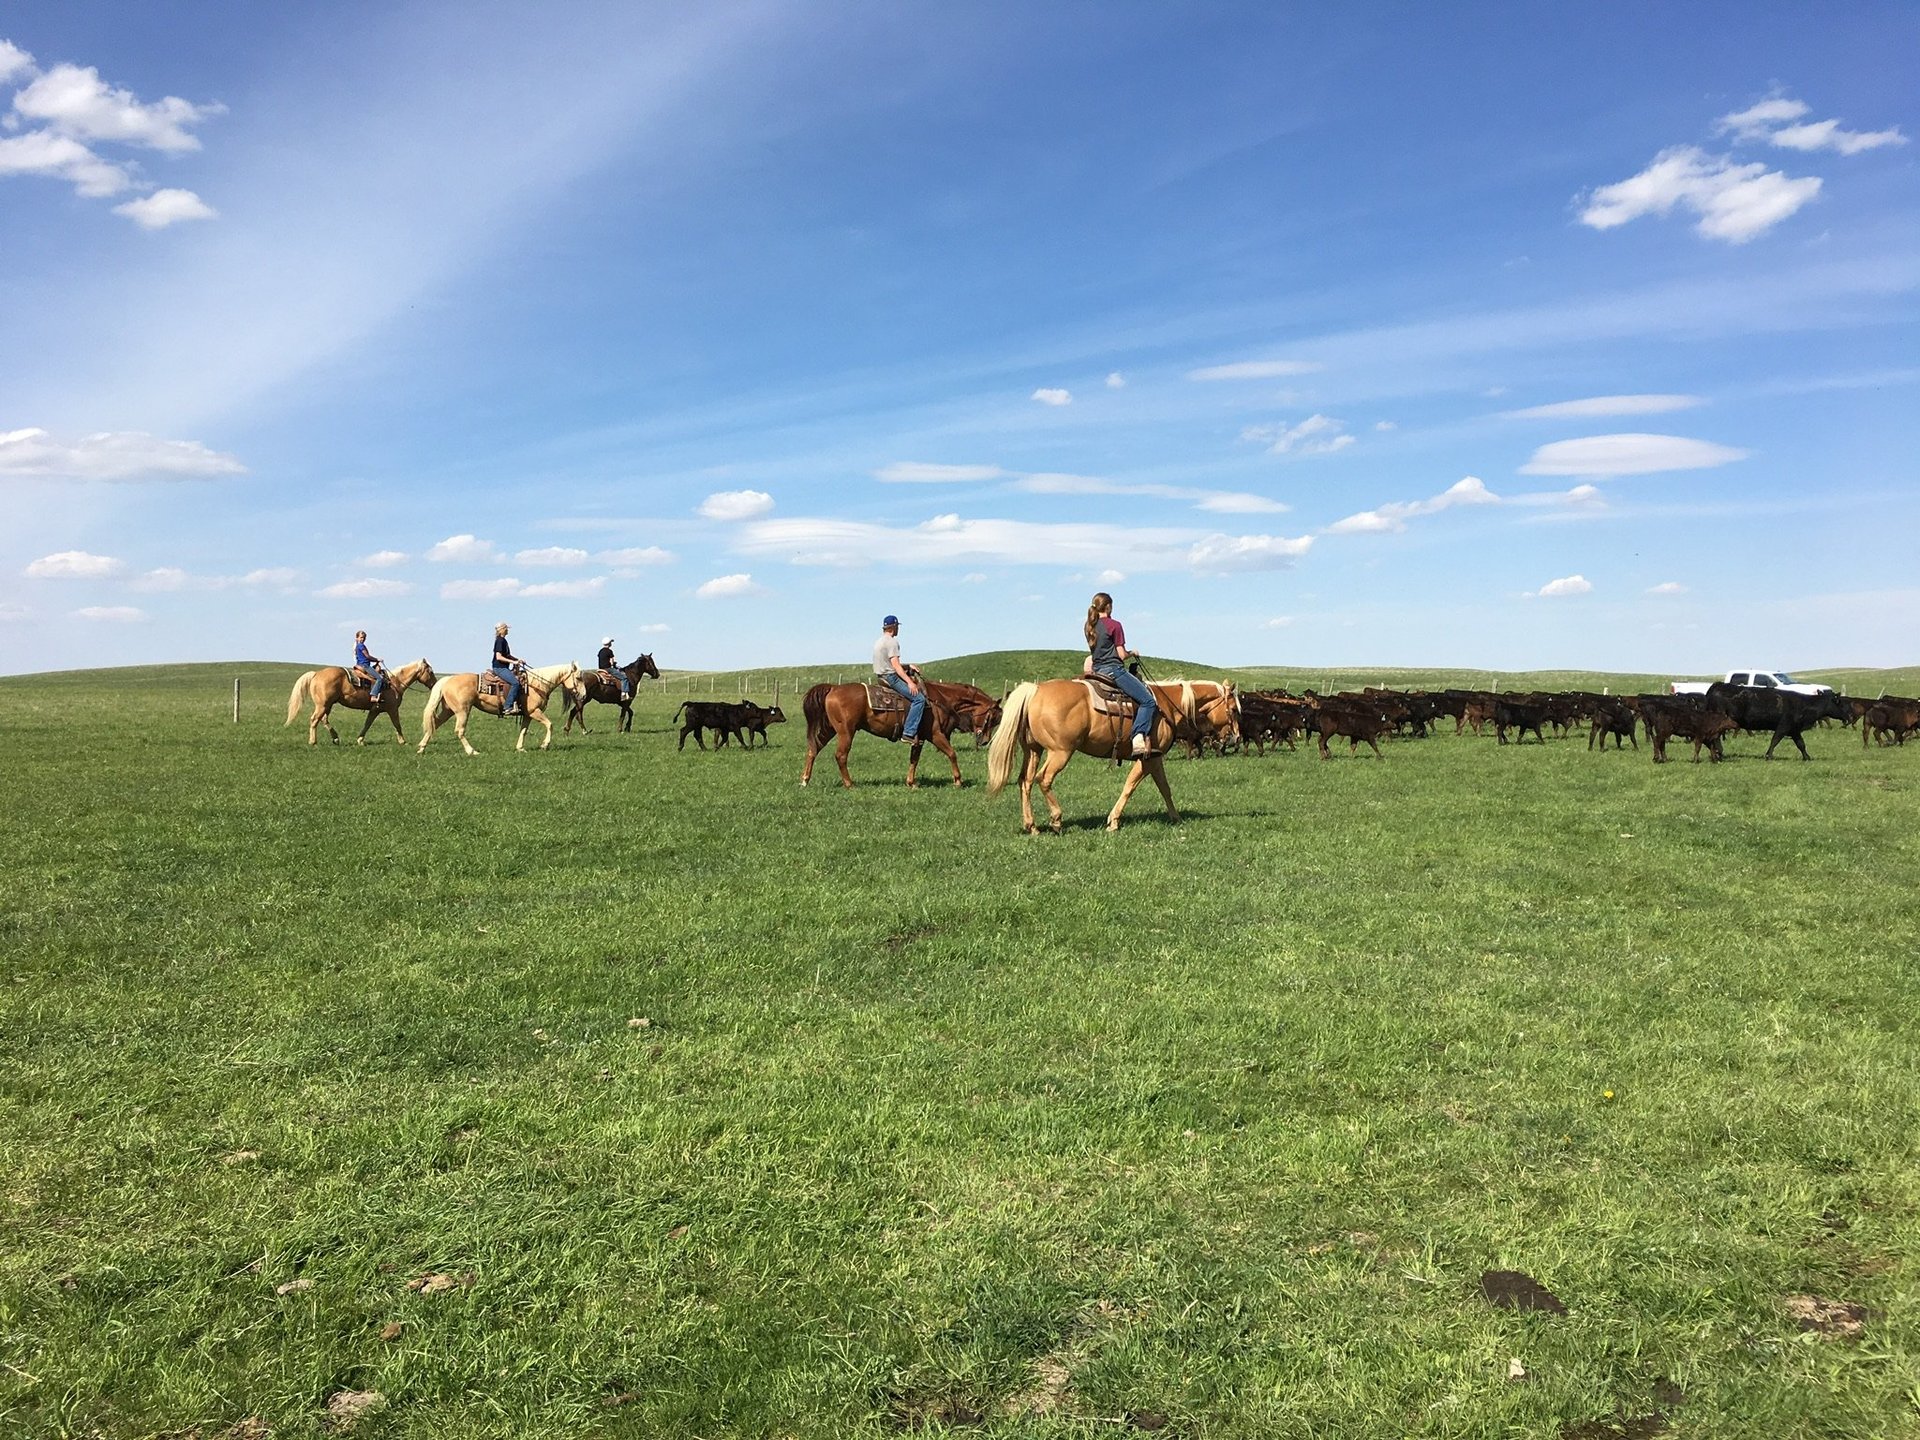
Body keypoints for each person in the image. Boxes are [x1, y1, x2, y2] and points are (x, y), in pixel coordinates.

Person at [1085, 591, 1155, 757]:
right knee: (1148, 701)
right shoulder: (1114, 625)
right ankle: (1138, 737)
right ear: (1108, 606)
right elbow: (1121, 655)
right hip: (1113, 670)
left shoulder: (1089, 625)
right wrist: (1133, 652)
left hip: (1097, 671)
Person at [872, 614, 927, 743]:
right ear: (894, 627)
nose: (898, 629)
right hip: (891, 678)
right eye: (897, 627)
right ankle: (909, 732)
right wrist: (910, 683)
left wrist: (908, 666)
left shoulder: (879, 641)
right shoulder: (892, 642)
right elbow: (895, 666)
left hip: (881, 676)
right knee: (919, 699)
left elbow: (888, 662)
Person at [492, 622, 527, 716]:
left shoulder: (504, 641)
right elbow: (498, 657)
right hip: (499, 667)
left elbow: (507, 655)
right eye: (506, 628)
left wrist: (517, 660)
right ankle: (507, 706)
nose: (507, 630)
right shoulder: (500, 640)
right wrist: (514, 662)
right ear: (502, 629)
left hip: (503, 667)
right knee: (515, 683)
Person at [353, 630, 388, 706]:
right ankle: (373, 695)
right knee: (380, 678)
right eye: (361, 637)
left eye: (364, 638)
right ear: (357, 638)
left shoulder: (357, 646)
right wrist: (377, 659)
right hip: (365, 666)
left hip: (361, 664)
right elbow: (367, 656)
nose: (363, 639)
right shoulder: (361, 646)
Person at [597, 636, 630, 701]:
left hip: (601, 669)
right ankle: (624, 693)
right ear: (609, 643)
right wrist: (614, 664)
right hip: (608, 669)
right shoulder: (609, 651)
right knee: (624, 678)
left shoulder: (600, 651)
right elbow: (611, 662)